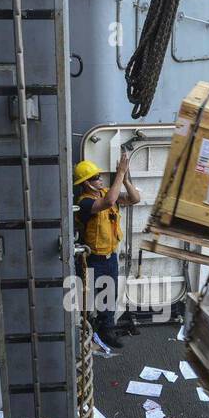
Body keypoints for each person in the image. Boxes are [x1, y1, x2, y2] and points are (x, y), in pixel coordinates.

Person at [73, 149, 141, 349]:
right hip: (92, 259)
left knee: (108, 296)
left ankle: (106, 329)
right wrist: (119, 172)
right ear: (87, 183)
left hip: (110, 258)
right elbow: (109, 202)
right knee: (85, 298)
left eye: (101, 176)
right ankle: (83, 330)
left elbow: (135, 199)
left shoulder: (105, 193)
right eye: (96, 177)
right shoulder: (84, 202)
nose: (101, 179)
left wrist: (126, 179)